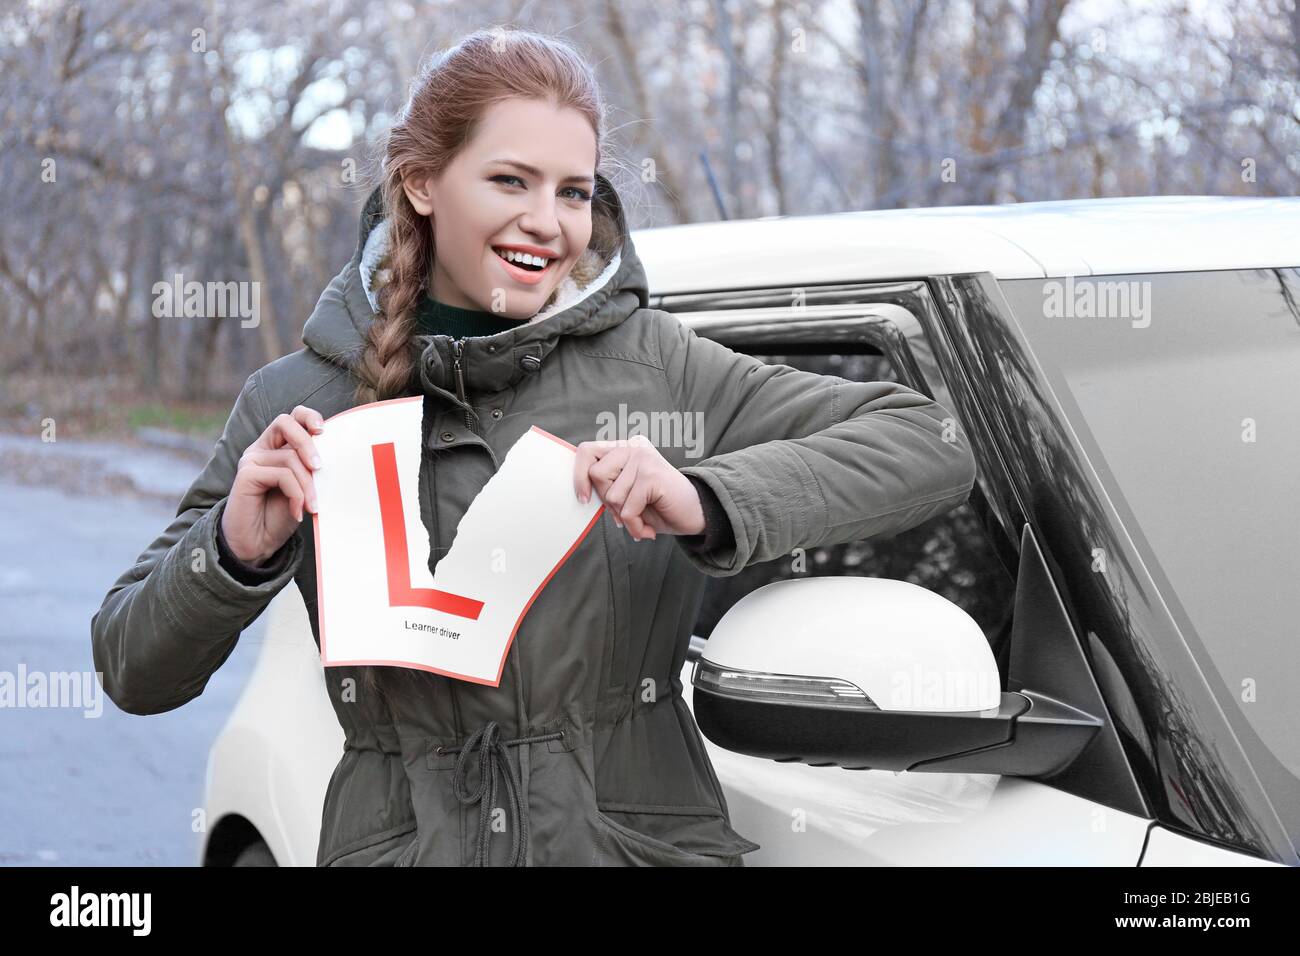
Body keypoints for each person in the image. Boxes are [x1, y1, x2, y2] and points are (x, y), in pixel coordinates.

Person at [90, 27, 977, 866]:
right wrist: (234, 551)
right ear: (424, 182)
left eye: (574, 192)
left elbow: (928, 442)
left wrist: (707, 497)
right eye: (510, 181)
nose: (547, 223)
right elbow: (132, 666)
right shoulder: (295, 400)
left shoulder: (658, 367)